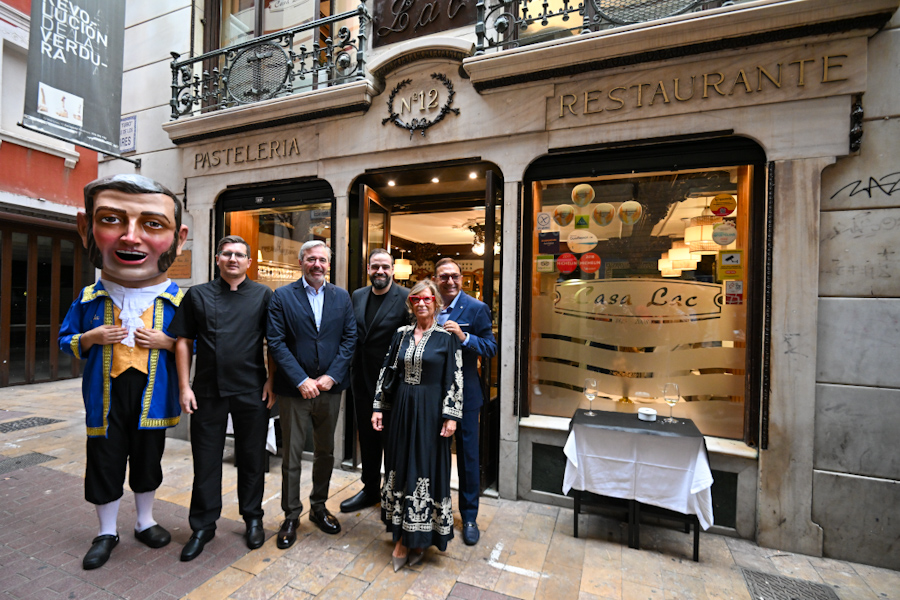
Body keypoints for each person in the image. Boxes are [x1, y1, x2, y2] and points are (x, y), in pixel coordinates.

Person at [59, 174, 189, 570]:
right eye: (112, 220)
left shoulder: (180, 300)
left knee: (149, 456)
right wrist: (91, 337)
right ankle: (106, 530)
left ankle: (145, 520)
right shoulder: (89, 297)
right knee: (104, 457)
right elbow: (65, 339)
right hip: (105, 395)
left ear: (178, 238)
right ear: (87, 229)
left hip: (154, 392)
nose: (131, 238)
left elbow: (194, 343)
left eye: (152, 224)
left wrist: (167, 343)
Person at [169, 235, 276, 561]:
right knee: (206, 461)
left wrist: (272, 379)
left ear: (248, 262)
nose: (233, 259)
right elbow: (183, 342)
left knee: (252, 458)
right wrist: (184, 386)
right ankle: (202, 526)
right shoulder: (197, 295)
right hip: (207, 391)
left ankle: (253, 518)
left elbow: (274, 341)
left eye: (239, 255)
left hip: (252, 389)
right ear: (218, 259)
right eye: (227, 254)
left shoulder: (263, 295)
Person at [267, 240, 357, 547]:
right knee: (291, 455)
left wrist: (332, 376)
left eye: (322, 260)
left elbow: (349, 339)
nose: (317, 264)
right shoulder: (281, 296)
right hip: (295, 392)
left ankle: (319, 507)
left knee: (325, 452)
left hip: (330, 391)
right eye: (311, 259)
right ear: (301, 262)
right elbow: (276, 342)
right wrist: (301, 379)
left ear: (328, 264)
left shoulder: (341, 296)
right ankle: (291, 514)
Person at [371, 279, 463, 571]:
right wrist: (379, 407)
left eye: (426, 298)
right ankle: (402, 536)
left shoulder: (447, 336)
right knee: (399, 465)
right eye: (415, 300)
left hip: (431, 412)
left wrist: (451, 415)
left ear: (435, 301)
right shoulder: (400, 335)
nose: (421, 303)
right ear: (410, 304)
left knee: (425, 468)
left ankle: (420, 537)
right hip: (401, 409)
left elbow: (455, 376)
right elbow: (388, 372)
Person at [341, 249, 410, 513]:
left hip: (393, 384)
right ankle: (370, 489)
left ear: (392, 269)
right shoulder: (357, 295)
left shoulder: (405, 298)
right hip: (362, 381)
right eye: (374, 267)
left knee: (393, 442)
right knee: (368, 441)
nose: (379, 271)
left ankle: (393, 495)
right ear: (368, 268)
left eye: (385, 267)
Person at [434, 257, 497, 546]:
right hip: (432, 395)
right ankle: (437, 511)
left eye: (454, 276)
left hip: (467, 395)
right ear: (435, 278)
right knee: (437, 456)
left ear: (461, 278)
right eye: (444, 276)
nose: (450, 281)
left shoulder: (476, 308)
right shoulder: (426, 304)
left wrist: (465, 336)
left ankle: (469, 516)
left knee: (469, 458)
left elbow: (491, 347)